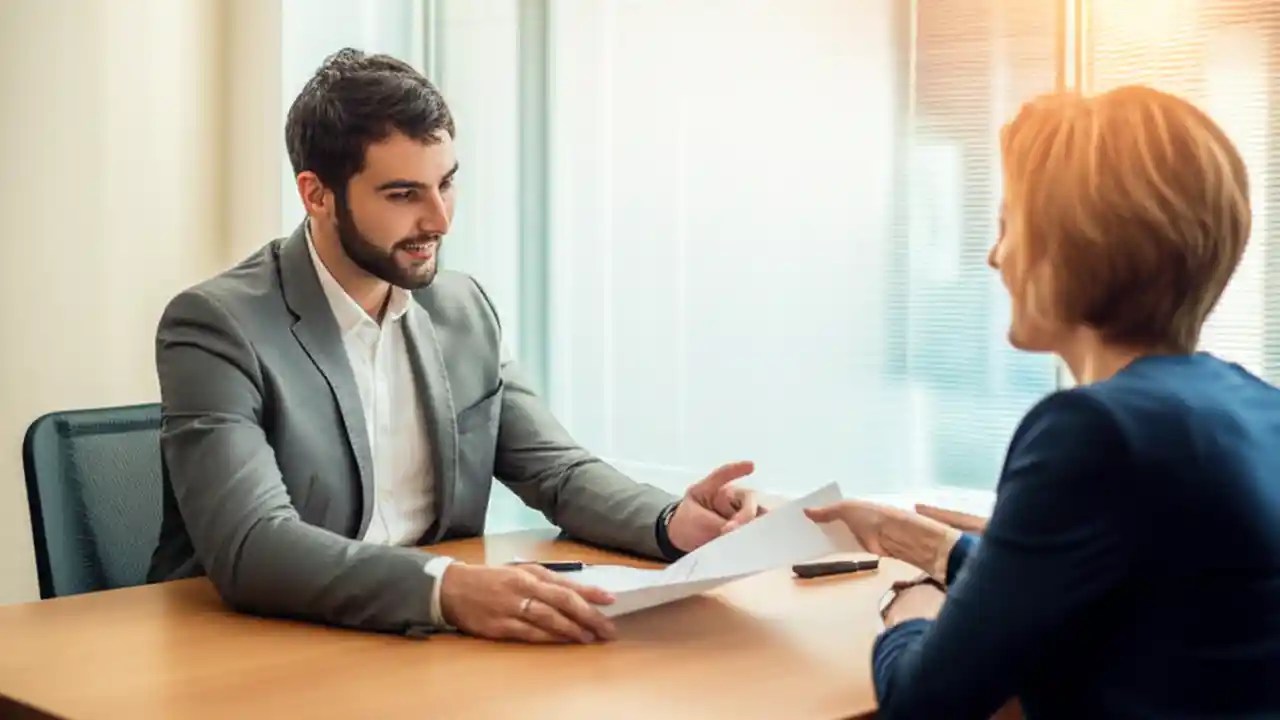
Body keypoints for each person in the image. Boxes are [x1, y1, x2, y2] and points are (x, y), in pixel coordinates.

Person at [148, 48, 760, 643]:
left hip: (422, 641)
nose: (439, 219)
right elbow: (253, 543)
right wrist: (446, 589)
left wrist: (671, 522)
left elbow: (556, 470)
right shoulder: (217, 325)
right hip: (255, 644)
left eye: (447, 184)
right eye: (403, 194)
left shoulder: (461, 307)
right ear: (316, 194)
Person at [807, 85, 1280, 718]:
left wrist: (908, 611)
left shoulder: (1093, 431)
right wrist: (930, 546)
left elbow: (925, 703)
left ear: (1072, 242)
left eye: (1008, 226)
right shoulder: (1254, 407)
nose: (995, 256)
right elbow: (1127, 590)